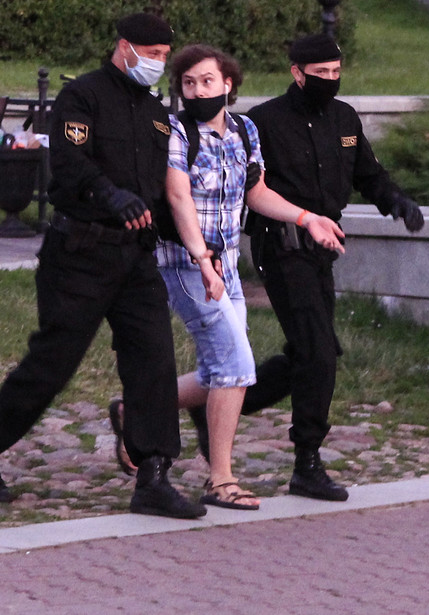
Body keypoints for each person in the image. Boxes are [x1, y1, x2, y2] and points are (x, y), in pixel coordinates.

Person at [0, 13, 204, 520]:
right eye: (151, 53)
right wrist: (110, 195)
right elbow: (69, 162)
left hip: (136, 255)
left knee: (154, 361)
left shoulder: (158, 114)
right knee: (54, 362)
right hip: (81, 254)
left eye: (164, 54)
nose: (158, 62)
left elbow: (164, 187)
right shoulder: (83, 97)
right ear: (124, 47)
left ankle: (154, 473)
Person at [154, 45, 345, 511]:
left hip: (228, 266)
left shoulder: (244, 131)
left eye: (206, 81)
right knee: (236, 366)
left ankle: (139, 409)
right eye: (188, 83)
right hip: (187, 265)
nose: (197, 90)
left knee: (226, 371)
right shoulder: (175, 132)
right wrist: (202, 260)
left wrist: (306, 218)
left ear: (228, 85)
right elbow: (178, 199)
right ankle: (220, 480)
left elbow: (255, 191)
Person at [240, 34, 424, 499]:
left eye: (335, 73)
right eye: (319, 74)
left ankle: (219, 401)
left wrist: (397, 202)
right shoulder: (262, 122)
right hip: (280, 245)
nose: (329, 81)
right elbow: (253, 190)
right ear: (296, 72)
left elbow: (369, 174)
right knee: (318, 351)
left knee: (313, 353)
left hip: (324, 249)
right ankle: (307, 462)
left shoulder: (344, 118)